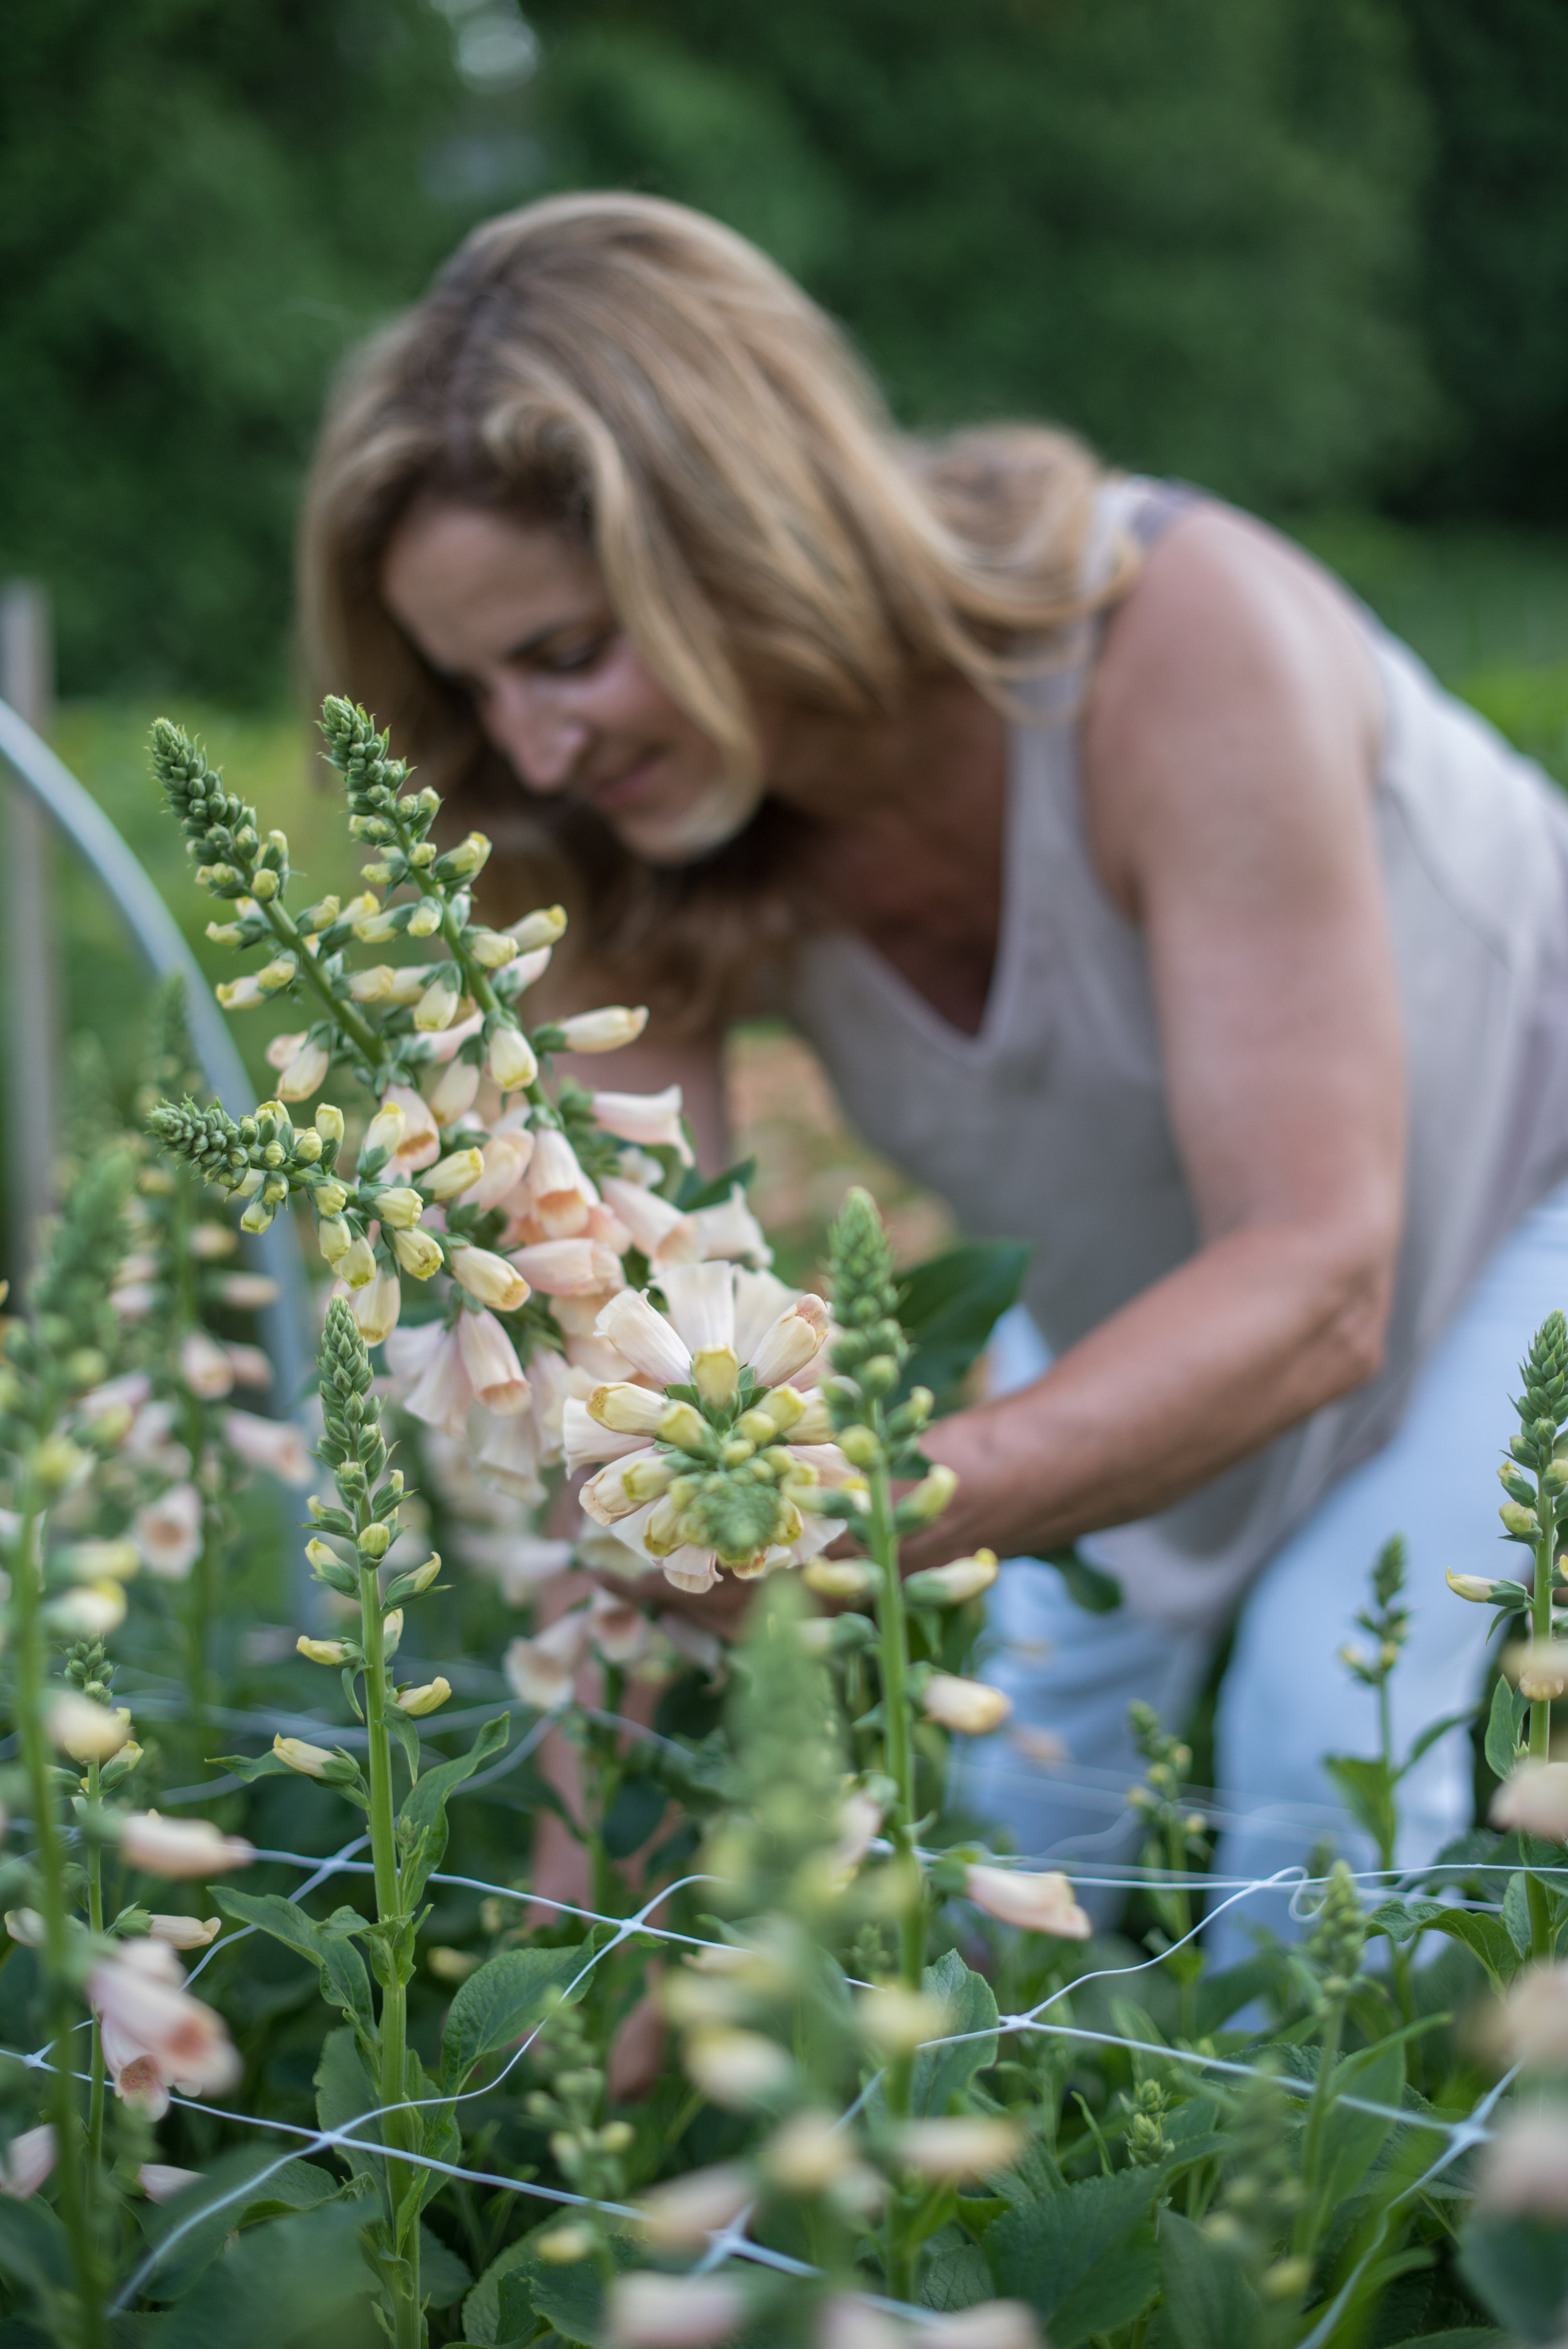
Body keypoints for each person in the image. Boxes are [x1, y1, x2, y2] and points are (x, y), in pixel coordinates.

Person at [300, 191, 1568, 1948]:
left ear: (744, 532)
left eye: (568, 651)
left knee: (1314, 1757)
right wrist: (592, 1956)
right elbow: (644, 1397)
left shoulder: (1167, 633)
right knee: (1010, 1826)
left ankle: (1380, 2206)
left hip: (1519, 1195)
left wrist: (850, 1517)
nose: (532, 744)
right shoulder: (613, 830)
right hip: (1171, 1279)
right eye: (476, 686)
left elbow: (1315, 1274)